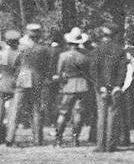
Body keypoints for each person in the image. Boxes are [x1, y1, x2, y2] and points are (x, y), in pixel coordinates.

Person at [8, 22, 52, 146]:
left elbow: (14, 64)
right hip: (37, 79)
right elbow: (46, 67)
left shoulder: (21, 48)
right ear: (38, 35)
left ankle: (9, 138)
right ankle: (38, 139)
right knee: (36, 109)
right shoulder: (44, 49)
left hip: (23, 77)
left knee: (16, 109)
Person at [90, 24, 128, 152]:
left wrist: (100, 86)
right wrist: (118, 85)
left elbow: (94, 71)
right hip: (115, 86)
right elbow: (123, 71)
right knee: (113, 115)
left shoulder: (97, 50)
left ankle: (100, 145)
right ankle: (110, 145)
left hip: (101, 87)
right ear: (115, 35)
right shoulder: (120, 50)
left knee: (101, 115)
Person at [53, 28, 93, 146]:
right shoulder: (85, 56)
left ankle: (58, 139)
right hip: (82, 85)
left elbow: (59, 73)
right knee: (79, 113)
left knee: (63, 112)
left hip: (68, 85)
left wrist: (61, 79)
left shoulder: (64, 56)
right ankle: (75, 139)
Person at [0, 29, 21, 145]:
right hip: (14, 85)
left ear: (6, 42)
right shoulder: (20, 55)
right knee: (13, 114)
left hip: (0, 84)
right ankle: (9, 139)